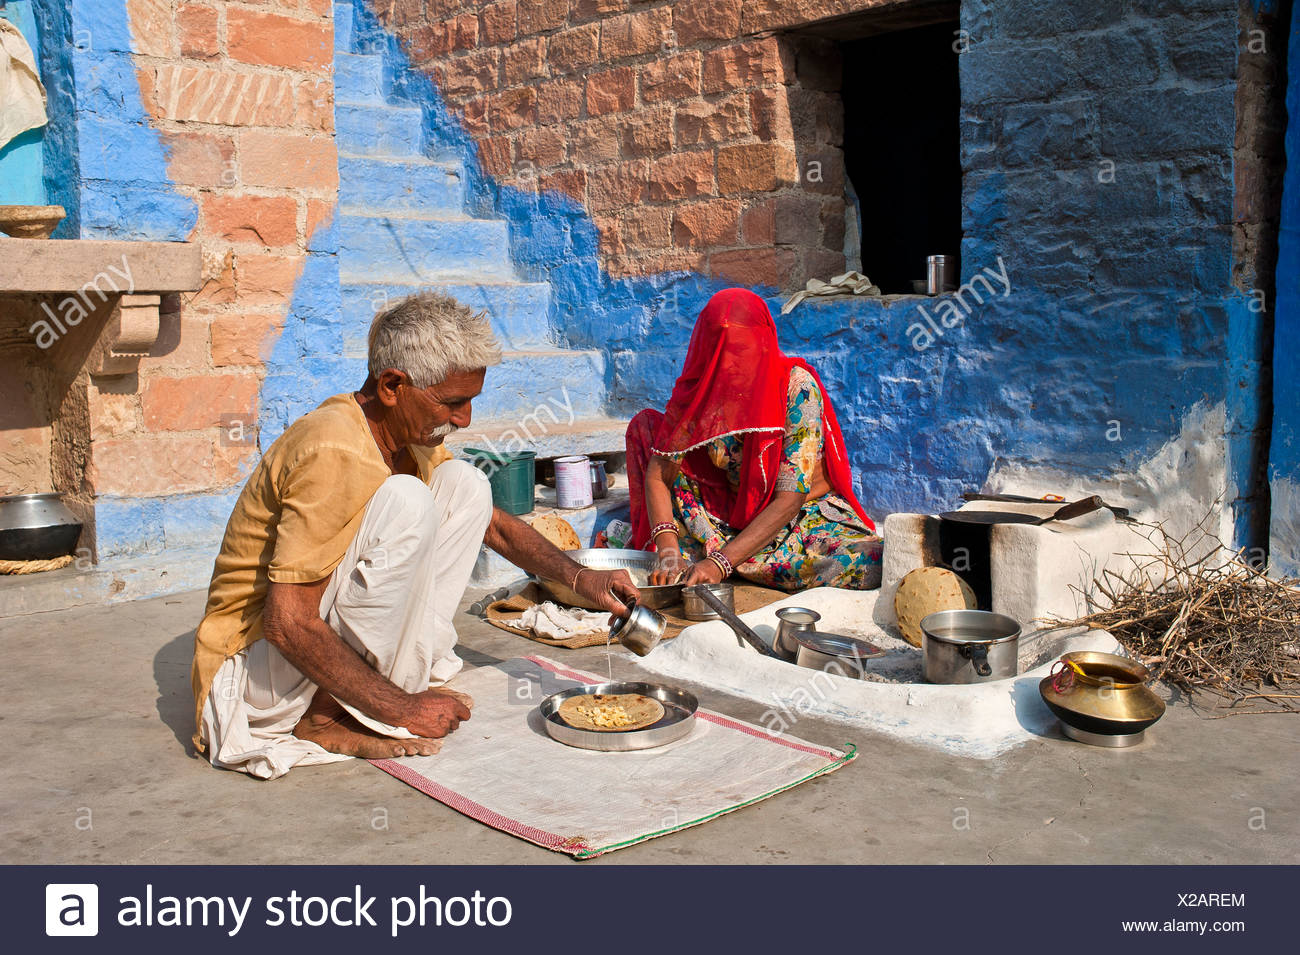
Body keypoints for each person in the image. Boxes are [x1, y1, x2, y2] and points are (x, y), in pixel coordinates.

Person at [192, 292, 638, 779]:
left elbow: (490, 524)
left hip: (300, 653)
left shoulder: (404, 437)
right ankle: (323, 714)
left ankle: (377, 686)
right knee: (407, 499)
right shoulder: (334, 447)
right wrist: (401, 710)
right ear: (391, 386)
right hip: (257, 674)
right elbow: (286, 623)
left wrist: (581, 581)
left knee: (466, 485)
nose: (465, 418)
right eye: (453, 403)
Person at [626, 288, 882, 592]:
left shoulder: (797, 391)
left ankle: (731, 559)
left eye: (740, 352)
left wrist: (720, 563)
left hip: (792, 516)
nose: (729, 365)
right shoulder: (703, 386)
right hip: (725, 515)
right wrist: (668, 553)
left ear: (762, 344)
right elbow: (660, 474)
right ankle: (728, 559)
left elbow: (790, 500)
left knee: (869, 563)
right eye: (720, 353)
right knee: (647, 430)